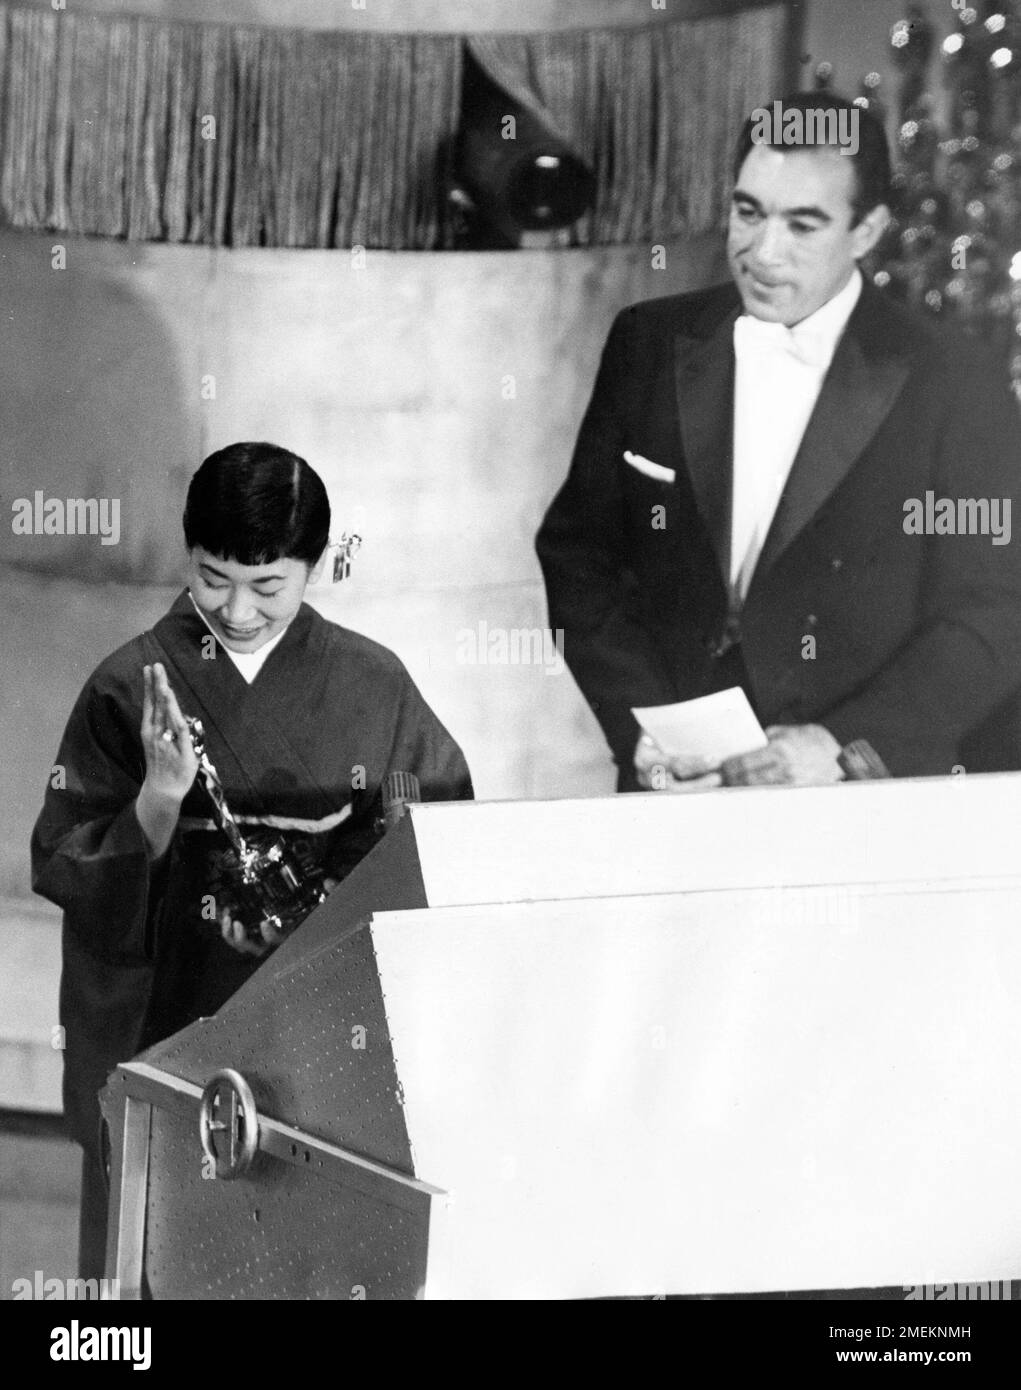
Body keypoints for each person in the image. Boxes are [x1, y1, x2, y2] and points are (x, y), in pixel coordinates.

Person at [32, 441, 473, 1280]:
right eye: (211, 578)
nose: (237, 609)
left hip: (318, 1022)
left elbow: (433, 835)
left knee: (304, 1252)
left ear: (317, 567)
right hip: (170, 1019)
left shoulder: (373, 685)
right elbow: (68, 859)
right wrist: (159, 798)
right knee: (162, 1254)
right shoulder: (128, 685)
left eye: (267, 585)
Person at [536, 91, 1021, 793]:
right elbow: (577, 553)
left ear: (867, 230)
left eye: (803, 225)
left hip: (859, 804)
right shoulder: (647, 342)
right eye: (748, 212)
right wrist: (641, 729)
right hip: (675, 792)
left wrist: (843, 747)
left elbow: (996, 610)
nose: (762, 252)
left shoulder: (954, 382)